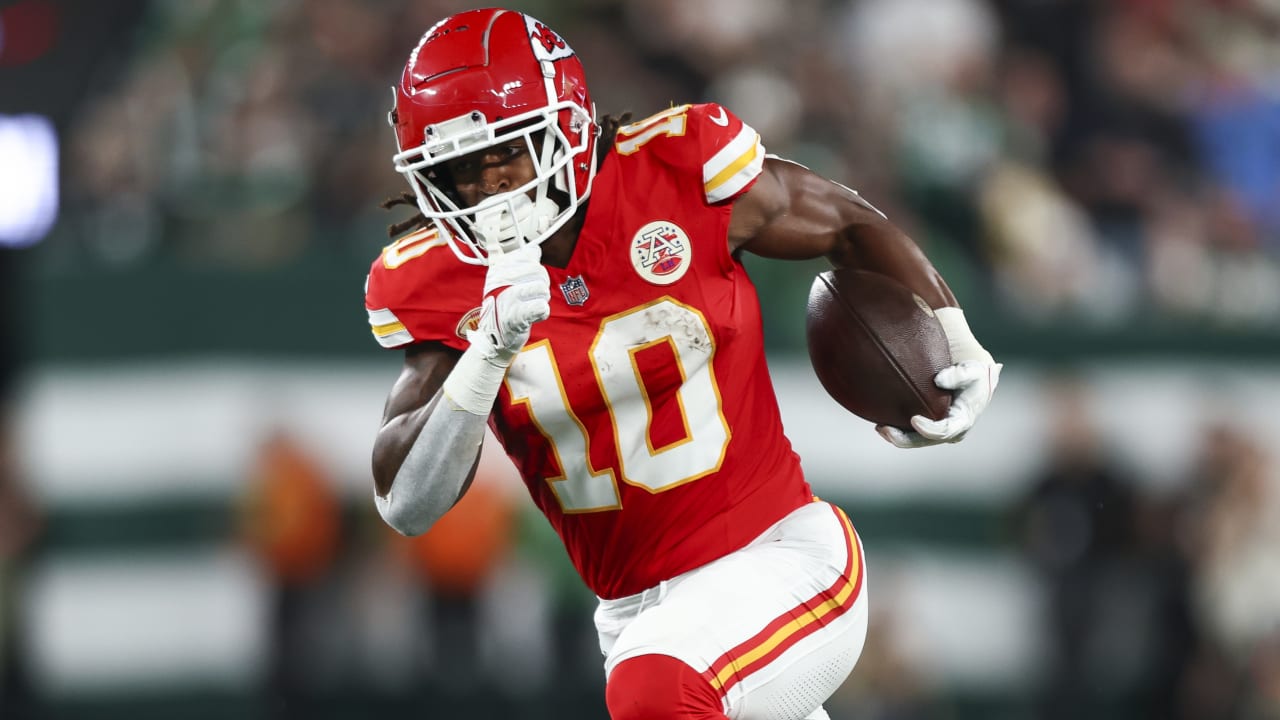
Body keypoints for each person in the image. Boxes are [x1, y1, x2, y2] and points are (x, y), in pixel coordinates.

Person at [362, 8, 1001, 720]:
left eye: (505, 153)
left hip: (780, 560)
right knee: (653, 675)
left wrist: (953, 332)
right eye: (456, 169)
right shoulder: (433, 280)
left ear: (568, 126)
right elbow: (407, 506)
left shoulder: (676, 170)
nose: (487, 189)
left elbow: (850, 225)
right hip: (635, 616)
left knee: (656, 688)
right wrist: (488, 351)